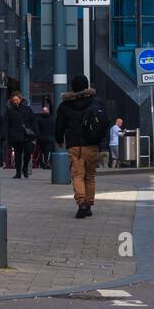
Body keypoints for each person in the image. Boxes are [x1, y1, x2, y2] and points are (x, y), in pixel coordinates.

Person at [56, 75, 107, 218]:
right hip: (92, 144)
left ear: (72, 87)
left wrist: (59, 139)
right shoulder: (96, 102)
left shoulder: (65, 105)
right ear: (87, 86)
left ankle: (81, 203)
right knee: (90, 176)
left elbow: (59, 125)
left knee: (78, 175)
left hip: (75, 146)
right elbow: (104, 121)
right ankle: (89, 203)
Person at [3, 92, 37, 178]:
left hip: (27, 135)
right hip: (16, 136)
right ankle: (18, 173)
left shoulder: (27, 109)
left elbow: (33, 121)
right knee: (18, 155)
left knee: (28, 153)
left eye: (17, 100)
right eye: (14, 100)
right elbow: (6, 124)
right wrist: (7, 136)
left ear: (20, 100)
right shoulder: (10, 111)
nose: (15, 102)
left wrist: (35, 133)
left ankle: (25, 168)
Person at [36, 102, 55, 169]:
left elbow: (37, 129)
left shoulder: (38, 119)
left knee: (41, 151)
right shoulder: (52, 119)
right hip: (50, 138)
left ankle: (42, 163)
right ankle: (47, 163)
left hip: (41, 138)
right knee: (48, 151)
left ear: (42, 112)